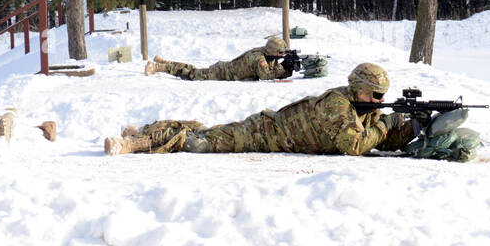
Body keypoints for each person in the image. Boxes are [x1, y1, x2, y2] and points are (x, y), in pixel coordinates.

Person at [104, 63, 416, 156]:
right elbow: (354, 145)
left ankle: (144, 131)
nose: (378, 101)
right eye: (374, 94)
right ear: (357, 87)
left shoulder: (366, 111)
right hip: (263, 133)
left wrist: (411, 127)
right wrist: (387, 124)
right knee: (201, 143)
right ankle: (134, 143)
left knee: (204, 134)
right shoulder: (338, 103)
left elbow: (381, 140)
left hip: (273, 135)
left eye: (382, 96)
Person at [144, 35, 294, 81]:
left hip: (227, 70)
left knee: (194, 70)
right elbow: (266, 75)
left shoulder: (267, 55)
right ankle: (160, 67)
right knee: (191, 74)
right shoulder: (259, 58)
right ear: (273, 51)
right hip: (223, 73)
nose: (282, 55)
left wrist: (287, 69)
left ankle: (165, 62)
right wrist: (285, 68)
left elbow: (273, 70)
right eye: (280, 52)